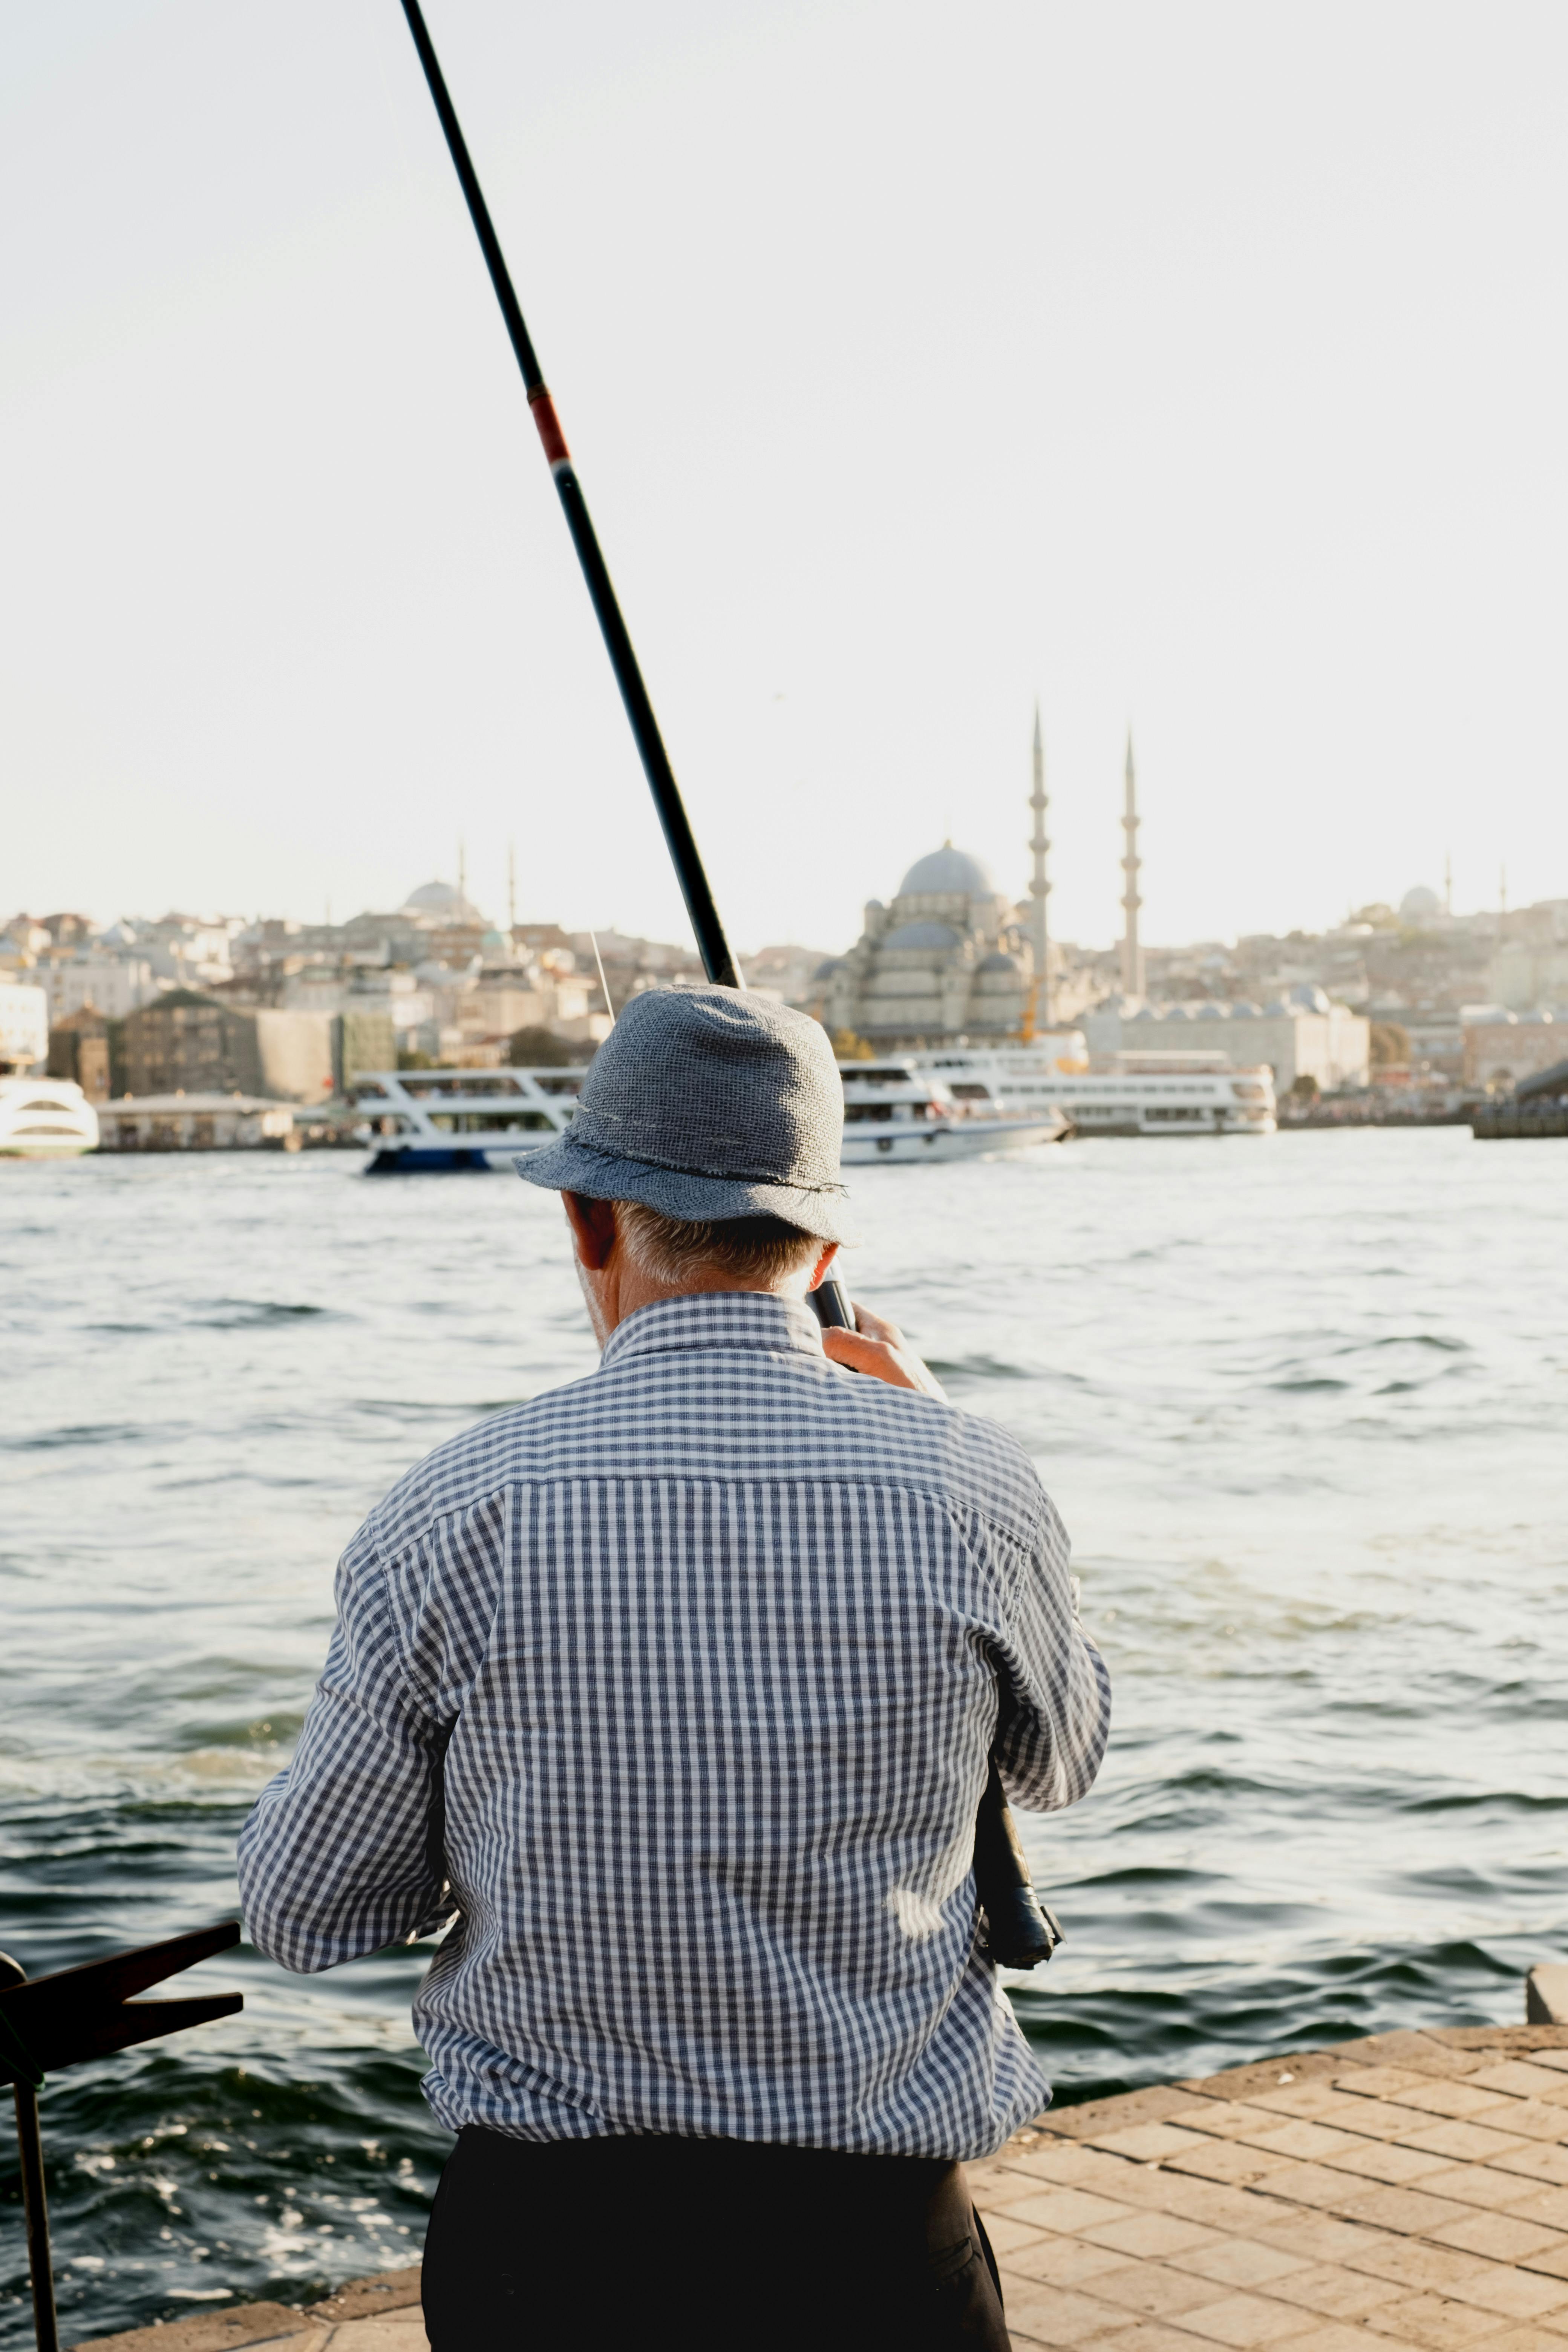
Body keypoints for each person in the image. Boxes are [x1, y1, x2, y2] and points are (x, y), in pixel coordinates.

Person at [238, 986, 1111, 2349]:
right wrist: (943, 1433)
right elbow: (1065, 1760)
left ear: (587, 1220)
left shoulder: (453, 1507)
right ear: (826, 1241)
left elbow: (305, 1911)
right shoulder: (976, 1483)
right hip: (882, 2260)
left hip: (556, 2263)